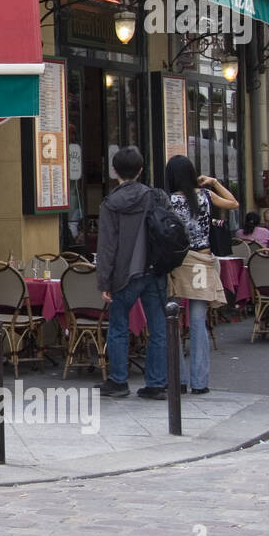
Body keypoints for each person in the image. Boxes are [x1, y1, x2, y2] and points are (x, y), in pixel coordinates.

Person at [95, 146, 167, 399]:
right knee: (158, 328)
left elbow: (106, 246)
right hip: (154, 269)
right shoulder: (156, 197)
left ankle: (118, 381)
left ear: (114, 170)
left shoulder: (111, 203)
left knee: (118, 327)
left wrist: (104, 280)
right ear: (140, 170)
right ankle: (157, 383)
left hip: (123, 274)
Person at [165, 155, 239, 396]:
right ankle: (200, 382)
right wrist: (213, 182)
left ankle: (179, 379)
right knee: (198, 323)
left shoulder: (168, 201)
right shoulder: (205, 197)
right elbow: (233, 203)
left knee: (172, 321)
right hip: (201, 262)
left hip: (176, 262)